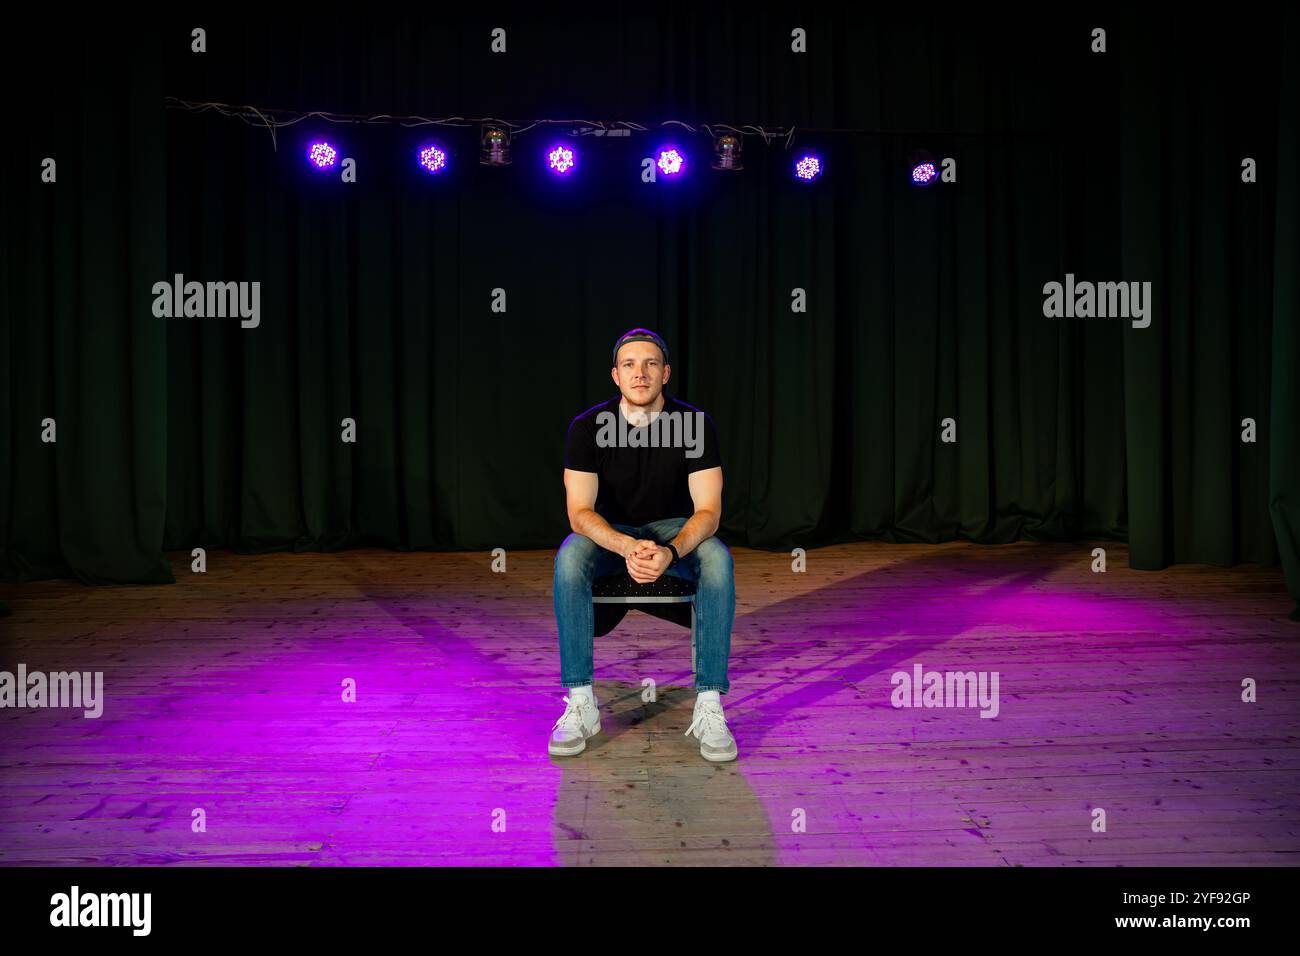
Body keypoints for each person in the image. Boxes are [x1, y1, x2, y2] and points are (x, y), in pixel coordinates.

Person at [550, 328, 737, 762]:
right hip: (611, 532)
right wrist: (624, 546)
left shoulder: (694, 425)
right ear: (615, 376)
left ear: (665, 373)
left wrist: (670, 552)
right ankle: (581, 701)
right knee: (570, 554)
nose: (641, 373)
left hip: (673, 532)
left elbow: (708, 512)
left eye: (651, 363)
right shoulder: (587, 428)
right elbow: (579, 512)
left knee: (718, 557)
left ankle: (710, 702)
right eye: (630, 365)